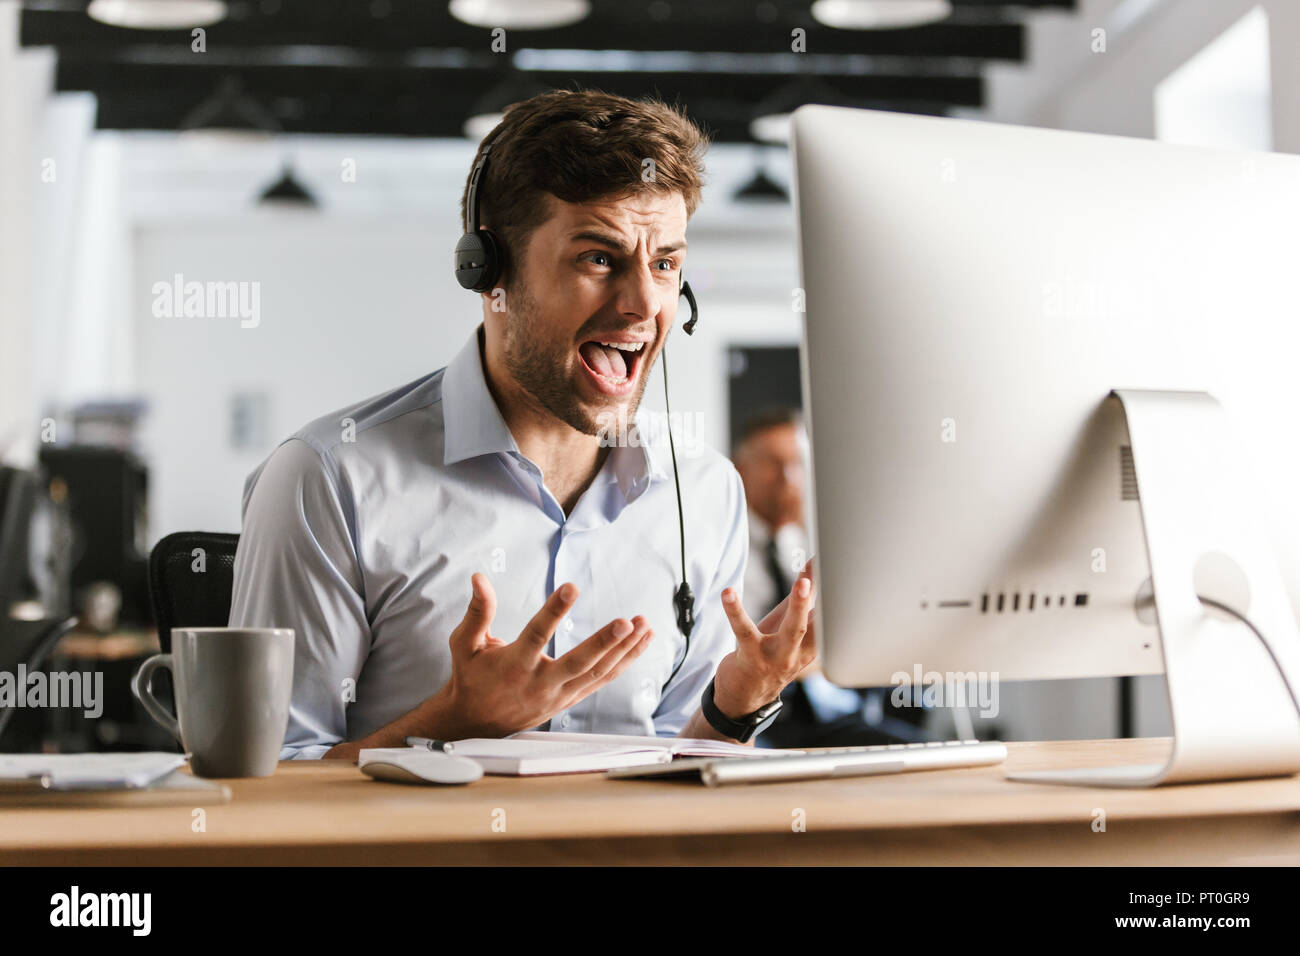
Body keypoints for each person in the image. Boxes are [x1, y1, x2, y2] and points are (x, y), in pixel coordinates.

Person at [229, 90, 818, 760]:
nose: (643, 305)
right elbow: (271, 785)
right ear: (489, 272)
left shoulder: (706, 491)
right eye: (599, 258)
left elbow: (679, 768)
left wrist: (739, 700)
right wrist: (453, 723)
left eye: (664, 264)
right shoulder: (329, 478)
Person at [732, 408, 929, 749]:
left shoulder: (816, 542)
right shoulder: (727, 548)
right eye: (773, 463)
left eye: (796, 463)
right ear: (739, 470)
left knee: (923, 750)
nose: (788, 477)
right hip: (763, 719)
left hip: (838, 714)